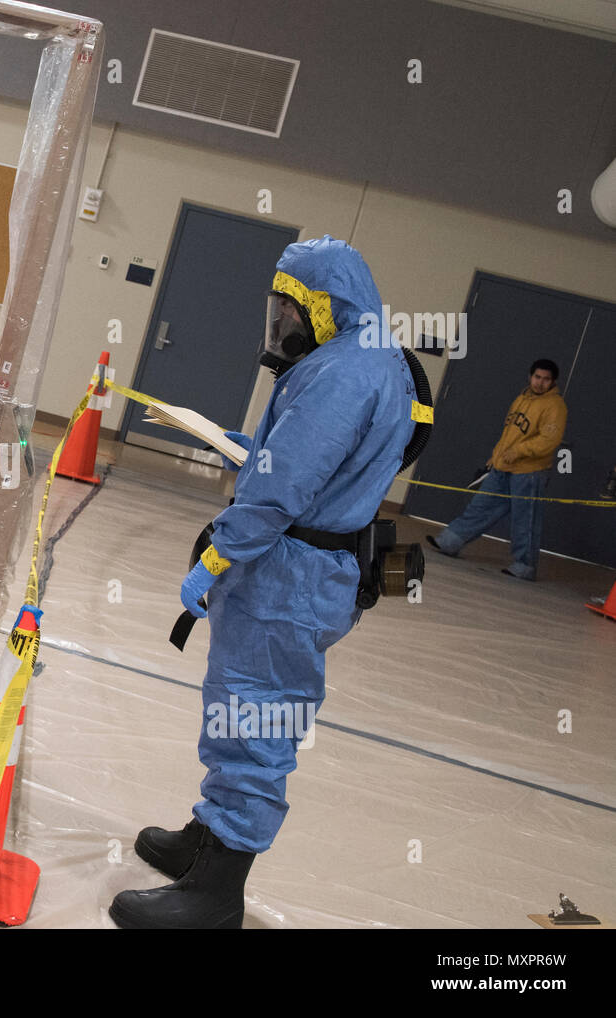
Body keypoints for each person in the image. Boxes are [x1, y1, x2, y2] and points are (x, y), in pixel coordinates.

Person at [110, 236, 418, 929]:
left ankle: (217, 892)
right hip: (300, 569)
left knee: (255, 719)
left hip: (288, 575)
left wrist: (216, 557)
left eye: (291, 306)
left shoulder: (344, 373)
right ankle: (209, 837)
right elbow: (310, 463)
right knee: (241, 709)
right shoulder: (365, 358)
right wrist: (237, 442)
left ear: (325, 304)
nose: (280, 321)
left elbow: (283, 492)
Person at [426, 360, 567, 580]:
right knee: (479, 507)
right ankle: (450, 541)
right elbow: (509, 432)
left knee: (525, 521)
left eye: (546, 379)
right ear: (530, 377)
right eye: (537, 377)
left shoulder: (555, 406)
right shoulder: (521, 398)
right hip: (502, 467)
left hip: (529, 472)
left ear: (553, 382)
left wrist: (519, 451)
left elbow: (549, 440)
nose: (540, 383)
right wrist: (495, 456)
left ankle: (525, 566)